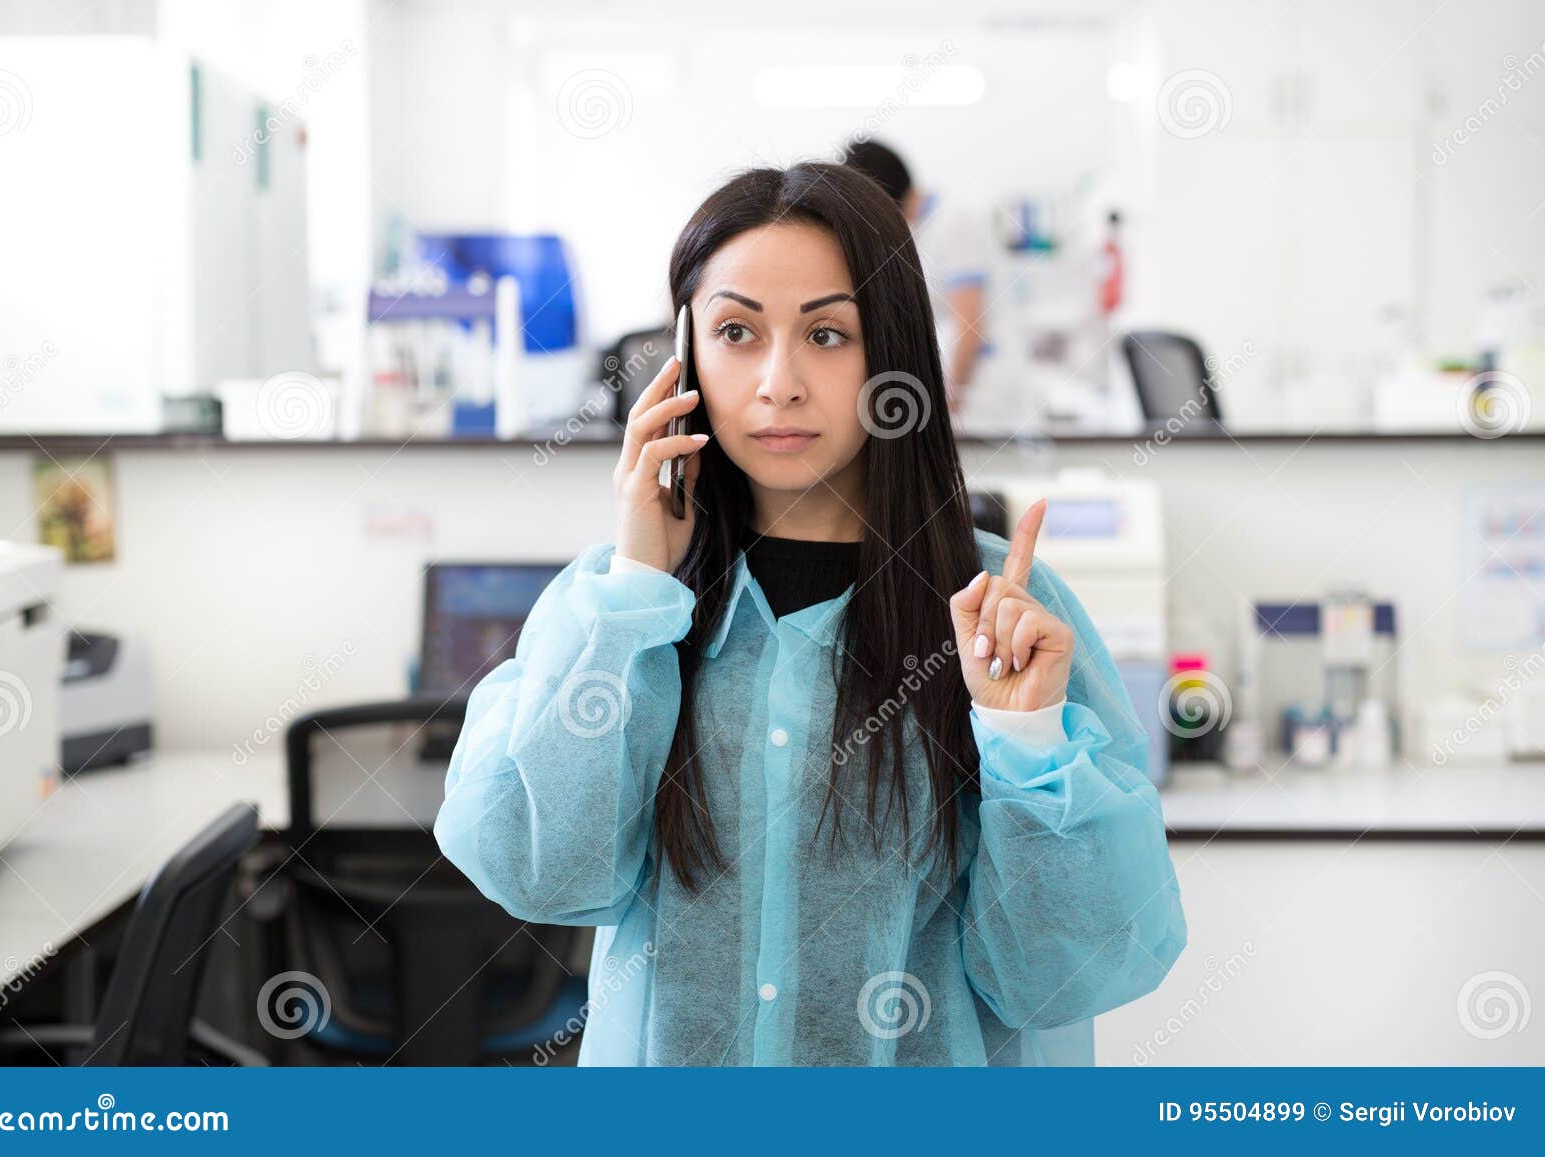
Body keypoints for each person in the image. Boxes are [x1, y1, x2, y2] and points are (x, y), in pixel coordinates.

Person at [434, 161, 1185, 1066]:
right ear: (683, 356)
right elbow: (537, 875)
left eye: (827, 334)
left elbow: (1059, 981)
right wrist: (637, 591)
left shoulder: (1001, 616)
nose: (779, 381)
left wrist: (1023, 742)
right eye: (736, 331)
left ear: (894, 354)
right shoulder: (617, 604)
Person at [840, 139, 990, 415]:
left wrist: (950, 401)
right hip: (952, 381)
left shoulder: (954, 221)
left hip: (984, 389)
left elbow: (970, 323)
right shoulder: (912, 232)